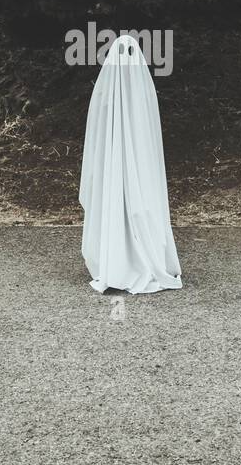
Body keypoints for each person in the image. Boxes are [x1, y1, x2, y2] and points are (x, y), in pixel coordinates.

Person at [78, 35, 182, 294]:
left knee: (125, 202)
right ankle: (133, 259)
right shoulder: (140, 92)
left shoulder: (110, 93)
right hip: (126, 165)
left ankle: (116, 262)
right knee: (132, 203)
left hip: (128, 166)